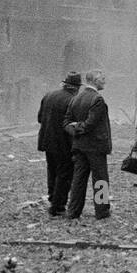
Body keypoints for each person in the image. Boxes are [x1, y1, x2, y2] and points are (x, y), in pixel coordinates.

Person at [64, 69, 112, 220]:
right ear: (93, 81)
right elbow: (90, 124)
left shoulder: (75, 99)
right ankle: (102, 211)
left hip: (79, 146)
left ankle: (73, 211)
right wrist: (80, 128)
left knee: (78, 179)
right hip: (96, 147)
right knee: (101, 179)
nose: (104, 81)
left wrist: (75, 130)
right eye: (102, 78)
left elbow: (66, 122)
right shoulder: (97, 100)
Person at [37, 72, 81, 217]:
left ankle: (52, 198)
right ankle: (58, 206)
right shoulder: (74, 100)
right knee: (65, 174)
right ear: (76, 87)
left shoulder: (49, 95)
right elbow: (73, 126)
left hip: (47, 140)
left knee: (52, 170)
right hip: (64, 143)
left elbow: (39, 118)